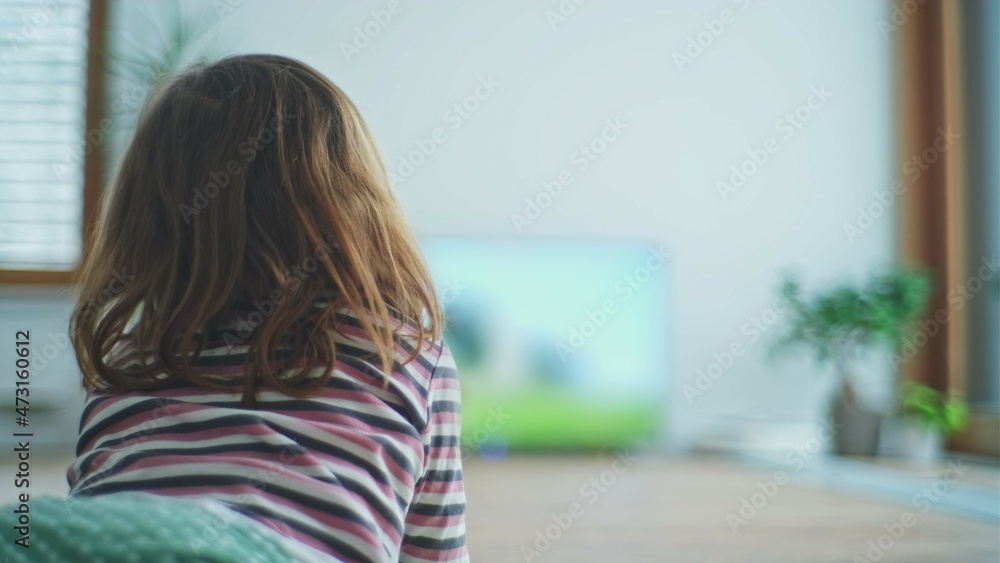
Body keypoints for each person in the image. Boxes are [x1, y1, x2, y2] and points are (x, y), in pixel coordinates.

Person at [61, 54, 467, 563]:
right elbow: (434, 555)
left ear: (151, 220)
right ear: (356, 206)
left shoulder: (128, 364)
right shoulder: (405, 356)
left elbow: (91, 512)